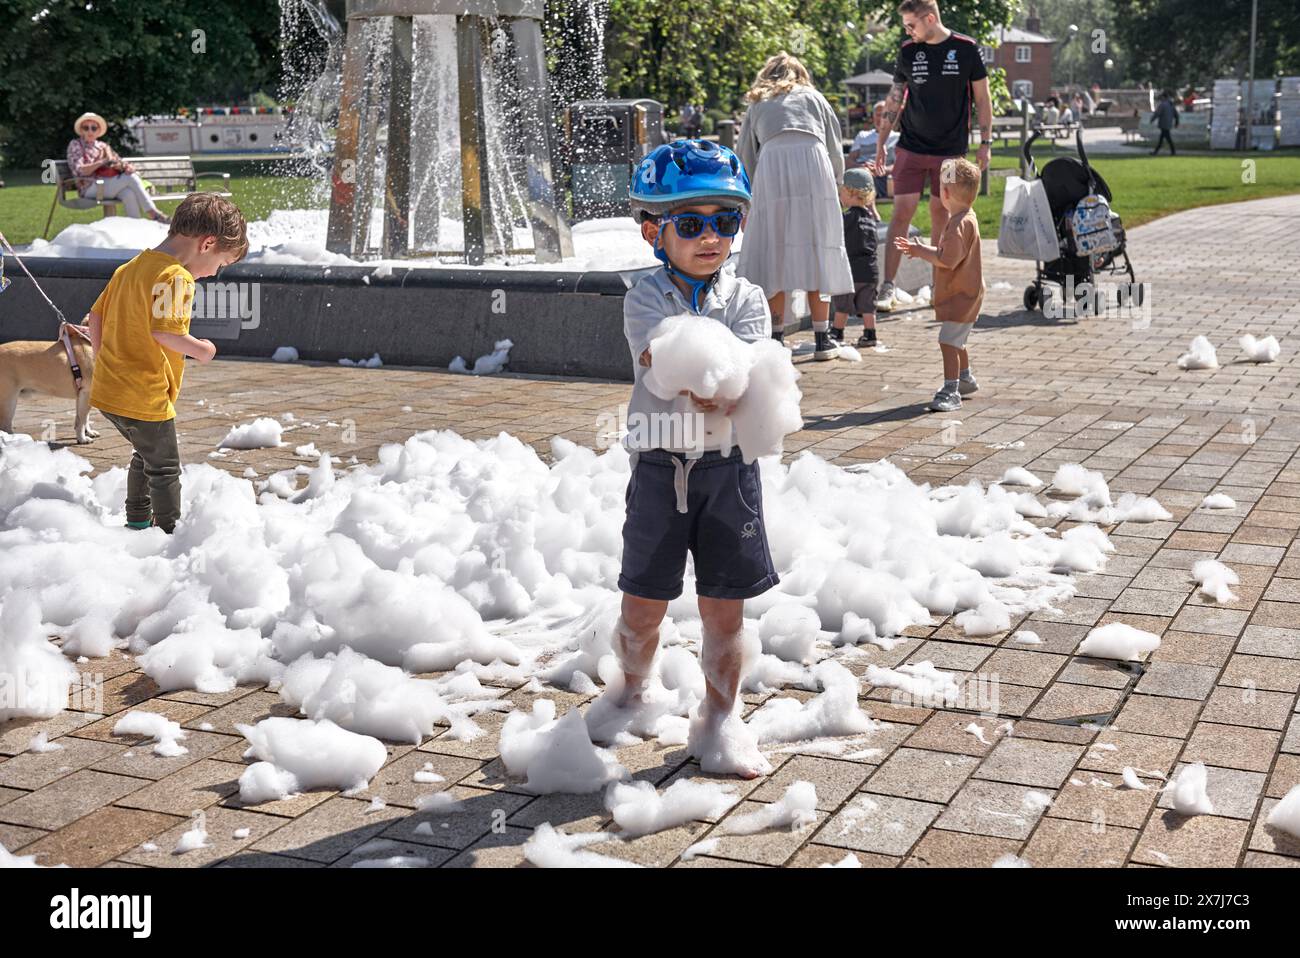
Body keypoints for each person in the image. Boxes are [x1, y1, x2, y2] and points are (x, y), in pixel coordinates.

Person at [615, 138, 778, 779]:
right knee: (643, 601)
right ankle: (631, 693)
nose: (711, 236)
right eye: (692, 223)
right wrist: (713, 385)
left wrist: (721, 386)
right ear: (656, 232)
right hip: (659, 469)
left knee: (724, 606)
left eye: (726, 221)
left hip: (729, 473)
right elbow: (674, 371)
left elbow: (742, 379)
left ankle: (720, 716)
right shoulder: (644, 298)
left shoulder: (747, 298)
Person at [86, 194, 248, 533]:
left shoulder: (130, 268)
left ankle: (138, 521)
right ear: (207, 243)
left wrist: (104, 359)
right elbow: (165, 332)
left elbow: (96, 315)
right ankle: (168, 532)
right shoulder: (176, 276)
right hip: (144, 393)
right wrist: (202, 350)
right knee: (164, 468)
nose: (212, 274)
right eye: (220, 265)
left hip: (110, 391)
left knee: (145, 456)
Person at [872, 0, 992, 313]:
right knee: (902, 214)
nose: (908, 31)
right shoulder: (909, 51)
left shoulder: (966, 48)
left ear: (929, 18)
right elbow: (895, 97)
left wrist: (986, 142)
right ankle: (888, 286)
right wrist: (882, 141)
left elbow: (982, 97)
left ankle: (941, 285)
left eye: (912, 24)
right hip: (911, 147)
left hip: (950, 151)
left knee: (943, 215)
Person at [736, 52, 854, 360]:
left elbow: (745, 153)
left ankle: (775, 338)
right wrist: (838, 182)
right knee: (818, 247)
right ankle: (822, 337)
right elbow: (834, 144)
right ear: (800, 73)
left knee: (774, 249)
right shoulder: (815, 97)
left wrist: (745, 200)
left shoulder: (758, 102)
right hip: (814, 164)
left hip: (772, 165)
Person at [893, 158, 983, 412]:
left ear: (945, 193)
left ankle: (951, 389)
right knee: (957, 338)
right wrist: (921, 249)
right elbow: (949, 254)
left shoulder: (957, 225)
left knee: (948, 341)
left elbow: (946, 260)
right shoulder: (966, 217)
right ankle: (965, 379)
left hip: (962, 294)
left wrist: (920, 250)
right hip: (967, 292)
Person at [66, 112, 171, 223]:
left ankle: (136, 227)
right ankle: (153, 213)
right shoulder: (76, 145)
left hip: (107, 184)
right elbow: (80, 170)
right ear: (81, 130)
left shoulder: (103, 146)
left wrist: (127, 167)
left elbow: (117, 161)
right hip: (89, 188)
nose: (90, 131)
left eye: (94, 128)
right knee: (130, 178)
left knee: (128, 193)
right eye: (86, 128)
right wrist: (102, 161)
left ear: (98, 130)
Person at [831, 168, 881, 349]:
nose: (840, 197)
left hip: (850, 269)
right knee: (867, 305)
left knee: (843, 303)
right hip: (870, 271)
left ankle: (837, 331)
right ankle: (870, 333)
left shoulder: (847, 217)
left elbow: (838, 237)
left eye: (842, 192)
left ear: (851, 192)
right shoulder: (870, 217)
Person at [847, 101, 900, 198]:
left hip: (883, 175)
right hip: (862, 172)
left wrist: (882, 169)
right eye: (878, 115)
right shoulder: (862, 136)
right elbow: (849, 161)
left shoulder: (897, 137)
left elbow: (900, 164)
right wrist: (861, 167)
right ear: (873, 117)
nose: (881, 118)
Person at [1151, 91, 1179, 155]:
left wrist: (1152, 119)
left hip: (1163, 124)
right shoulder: (1171, 104)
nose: (1161, 98)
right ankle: (1156, 152)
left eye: (1162, 97)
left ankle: (1172, 151)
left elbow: (1157, 113)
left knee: (1166, 139)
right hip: (1168, 124)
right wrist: (1177, 122)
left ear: (1164, 97)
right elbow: (1176, 114)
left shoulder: (1163, 104)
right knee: (1163, 138)